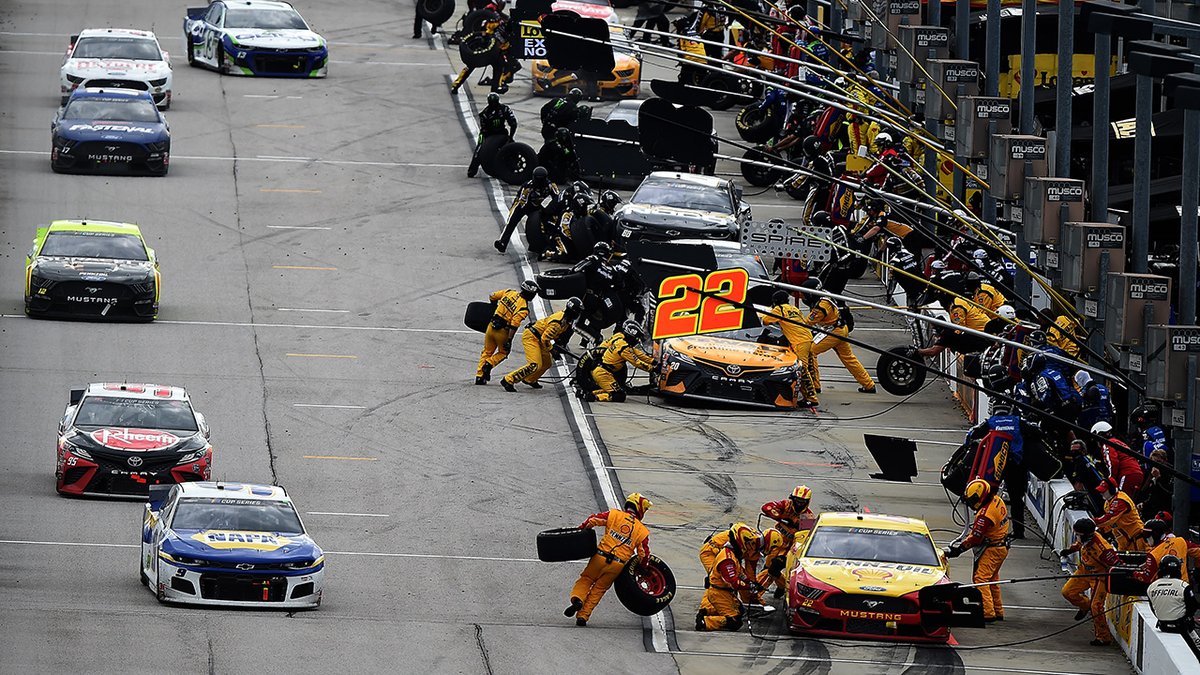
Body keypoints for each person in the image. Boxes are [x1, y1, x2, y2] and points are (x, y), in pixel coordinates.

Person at [566, 492, 652, 626]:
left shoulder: (614, 515)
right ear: (640, 509)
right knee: (599, 589)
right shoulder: (642, 530)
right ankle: (583, 616)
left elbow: (592, 520)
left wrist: (580, 530)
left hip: (599, 557)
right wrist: (644, 567)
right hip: (617, 565)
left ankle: (578, 600)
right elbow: (644, 554)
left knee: (586, 579)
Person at [964, 402, 1033, 538]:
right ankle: (1019, 532)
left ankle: (983, 528)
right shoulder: (1018, 421)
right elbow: (1037, 432)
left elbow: (971, 434)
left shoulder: (991, 422)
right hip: (1016, 464)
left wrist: (969, 447)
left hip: (995, 465)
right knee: (1016, 499)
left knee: (987, 495)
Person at [947, 478, 1010, 622]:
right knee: (992, 579)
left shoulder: (985, 515)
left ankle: (987, 612)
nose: (970, 503)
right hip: (1002, 547)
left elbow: (975, 537)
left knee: (980, 579)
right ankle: (998, 610)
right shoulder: (997, 500)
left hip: (992, 549)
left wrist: (959, 549)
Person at [802, 279, 876, 393]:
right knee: (849, 358)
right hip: (841, 328)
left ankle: (815, 385)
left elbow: (807, 322)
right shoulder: (825, 295)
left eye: (805, 294)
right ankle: (869, 385)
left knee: (811, 352)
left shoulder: (821, 306)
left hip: (833, 332)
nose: (803, 297)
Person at [501, 297, 582, 391]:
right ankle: (508, 380)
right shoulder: (557, 323)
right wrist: (552, 350)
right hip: (532, 337)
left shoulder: (565, 320)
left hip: (540, 338)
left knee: (546, 363)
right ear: (574, 312)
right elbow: (545, 339)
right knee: (535, 364)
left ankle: (530, 379)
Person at [1058, 518, 1115, 646]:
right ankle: (1085, 606)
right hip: (1084, 570)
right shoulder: (1084, 539)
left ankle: (1103, 637)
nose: (1076, 537)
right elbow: (1079, 544)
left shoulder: (1104, 549)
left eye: (1078, 535)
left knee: (1096, 607)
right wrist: (1070, 550)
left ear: (1086, 535)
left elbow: (1116, 564)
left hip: (1100, 577)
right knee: (1067, 592)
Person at [758, 290, 818, 407]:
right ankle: (815, 388)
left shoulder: (779, 309)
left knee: (802, 369)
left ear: (776, 301)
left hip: (799, 341)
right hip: (808, 338)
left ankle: (812, 398)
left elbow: (765, 321)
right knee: (810, 366)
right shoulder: (794, 309)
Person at [697, 522, 760, 631]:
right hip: (719, 591)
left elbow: (740, 573)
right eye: (748, 543)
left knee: (741, 610)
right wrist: (749, 587)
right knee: (735, 622)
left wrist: (750, 582)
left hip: (724, 590)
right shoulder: (727, 559)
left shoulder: (733, 553)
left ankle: (707, 611)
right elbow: (734, 582)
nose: (750, 546)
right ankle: (705, 621)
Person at [476, 280, 538, 384]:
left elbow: (492, 296)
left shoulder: (509, 292)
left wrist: (493, 307)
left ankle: (479, 376)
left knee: (487, 351)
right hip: (503, 331)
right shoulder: (523, 308)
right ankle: (489, 364)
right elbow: (514, 325)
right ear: (530, 294)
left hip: (491, 327)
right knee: (503, 353)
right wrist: (509, 340)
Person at [585, 320, 654, 402]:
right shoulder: (624, 349)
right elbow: (637, 363)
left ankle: (591, 393)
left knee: (618, 390)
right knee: (619, 396)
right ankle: (595, 397)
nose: (637, 341)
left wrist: (652, 361)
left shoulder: (620, 341)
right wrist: (653, 369)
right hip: (603, 373)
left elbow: (637, 353)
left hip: (602, 370)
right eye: (637, 339)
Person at [495, 166, 559, 253]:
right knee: (511, 221)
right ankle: (502, 242)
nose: (539, 183)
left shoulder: (550, 186)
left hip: (537, 207)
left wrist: (550, 209)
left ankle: (541, 243)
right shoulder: (528, 187)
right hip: (522, 206)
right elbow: (522, 202)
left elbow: (557, 198)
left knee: (545, 221)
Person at [467, 93, 518, 178]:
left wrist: (511, 137)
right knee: (479, 148)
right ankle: (472, 169)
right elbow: (484, 128)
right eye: (492, 102)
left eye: (495, 102)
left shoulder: (504, 109)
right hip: (487, 134)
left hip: (502, 133)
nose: (494, 105)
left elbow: (513, 123)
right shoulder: (484, 114)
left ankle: (513, 167)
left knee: (513, 146)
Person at [1092, 477, 1146, 552]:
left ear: (1112, 490)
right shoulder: (1108, 503)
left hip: (1136, 540)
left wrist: (1091, 522)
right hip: (1123, 543)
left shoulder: (1121, 500)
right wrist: (1100, 530)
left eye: (1104, 491)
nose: (1101, 493)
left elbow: (1109, 518)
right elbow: (1112, 524)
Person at [1147, 555, 1198, 633]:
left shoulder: (1151, 587)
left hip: (1163, 626)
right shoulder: (1183, 586)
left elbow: (1153, 608)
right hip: (1183, 627)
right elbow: (1193, 606)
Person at [1092, 421, 1145, 496]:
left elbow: (1113, 463)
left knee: (1120, 498)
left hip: (1127, 474)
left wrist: (1110, 480)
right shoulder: (1118, 442)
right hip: (1137, 473)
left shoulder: (1107, 444)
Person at [1135, 450, 1174, 520]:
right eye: (1153, 462)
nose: (1156, 465)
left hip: (1165, 507)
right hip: (1151, 507)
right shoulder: (1149, 472)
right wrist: (1143, 503)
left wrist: (1158, 478)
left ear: (1165, 461)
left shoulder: (1170, 473)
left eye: (1158, 462)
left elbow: (1168, 492)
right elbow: (1145, 491)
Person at [754, 528, 790, 600]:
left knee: (772, 570)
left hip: (791, 545)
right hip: (778, 539)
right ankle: (783, 586)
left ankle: (755, 594)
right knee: (768, 566)